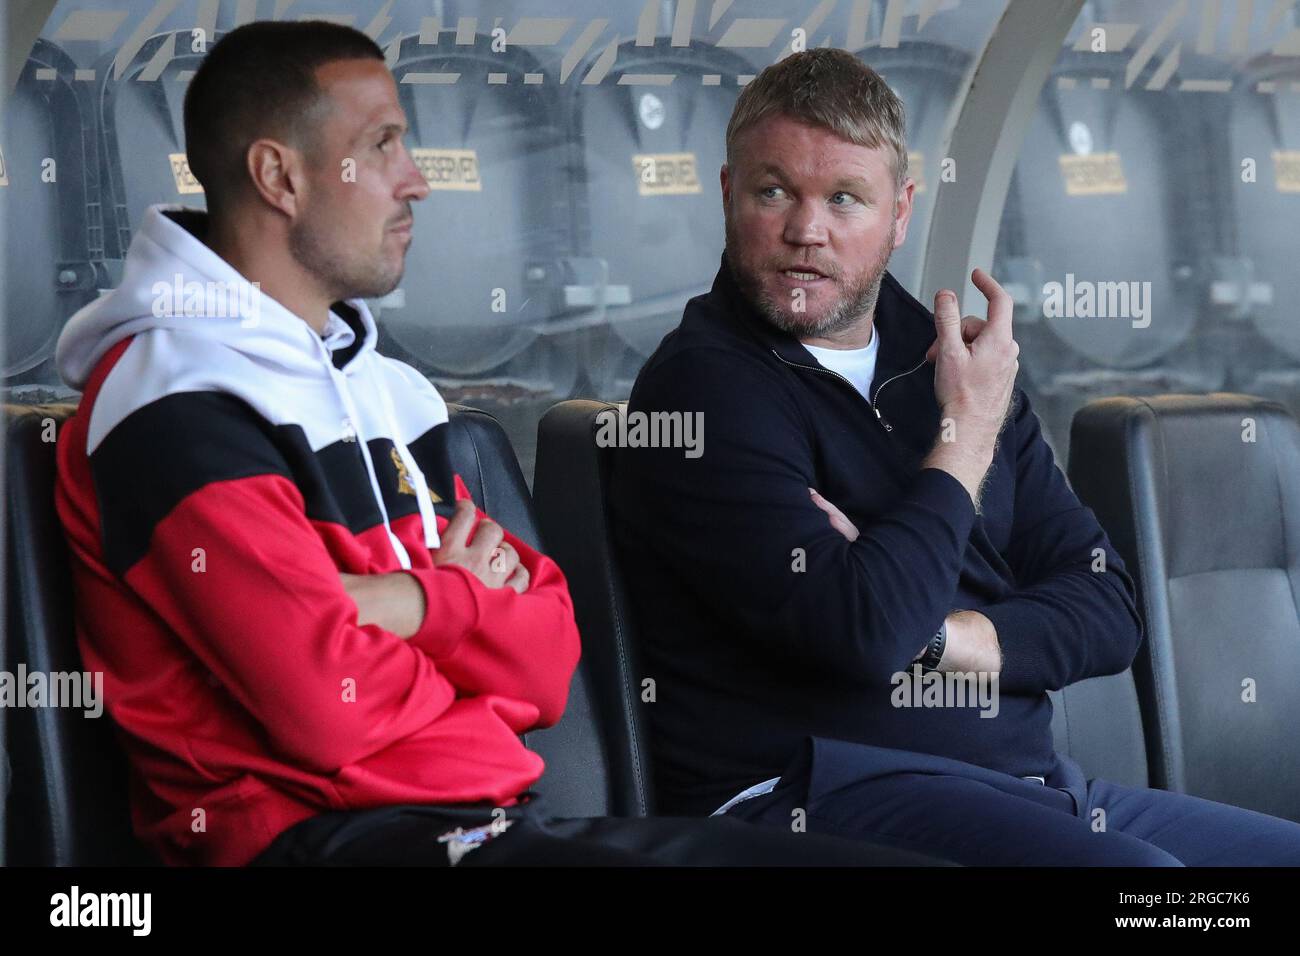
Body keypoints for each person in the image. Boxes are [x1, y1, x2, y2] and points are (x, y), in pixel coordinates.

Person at [52, 21, 935, 868]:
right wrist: (451, 599)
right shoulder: (170, 395)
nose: (417, 181)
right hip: (328, 845)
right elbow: (324, 705)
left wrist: (394, 604)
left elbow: (548, 665)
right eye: (386, 144)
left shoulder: (388, 390)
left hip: (494, 824)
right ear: (279, 177)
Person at [609, 47, 1300, 866]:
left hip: (1027, 784)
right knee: (1144, 894)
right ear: (728, 194)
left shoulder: (946, 359)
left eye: (844, 198)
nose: (806, 229)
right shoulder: (703, 386)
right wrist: (964, 439)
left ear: (900, 213)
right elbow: (863, 634)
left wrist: (936, 637)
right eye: (774, 191)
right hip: (806, 795)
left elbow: (1110, 607)